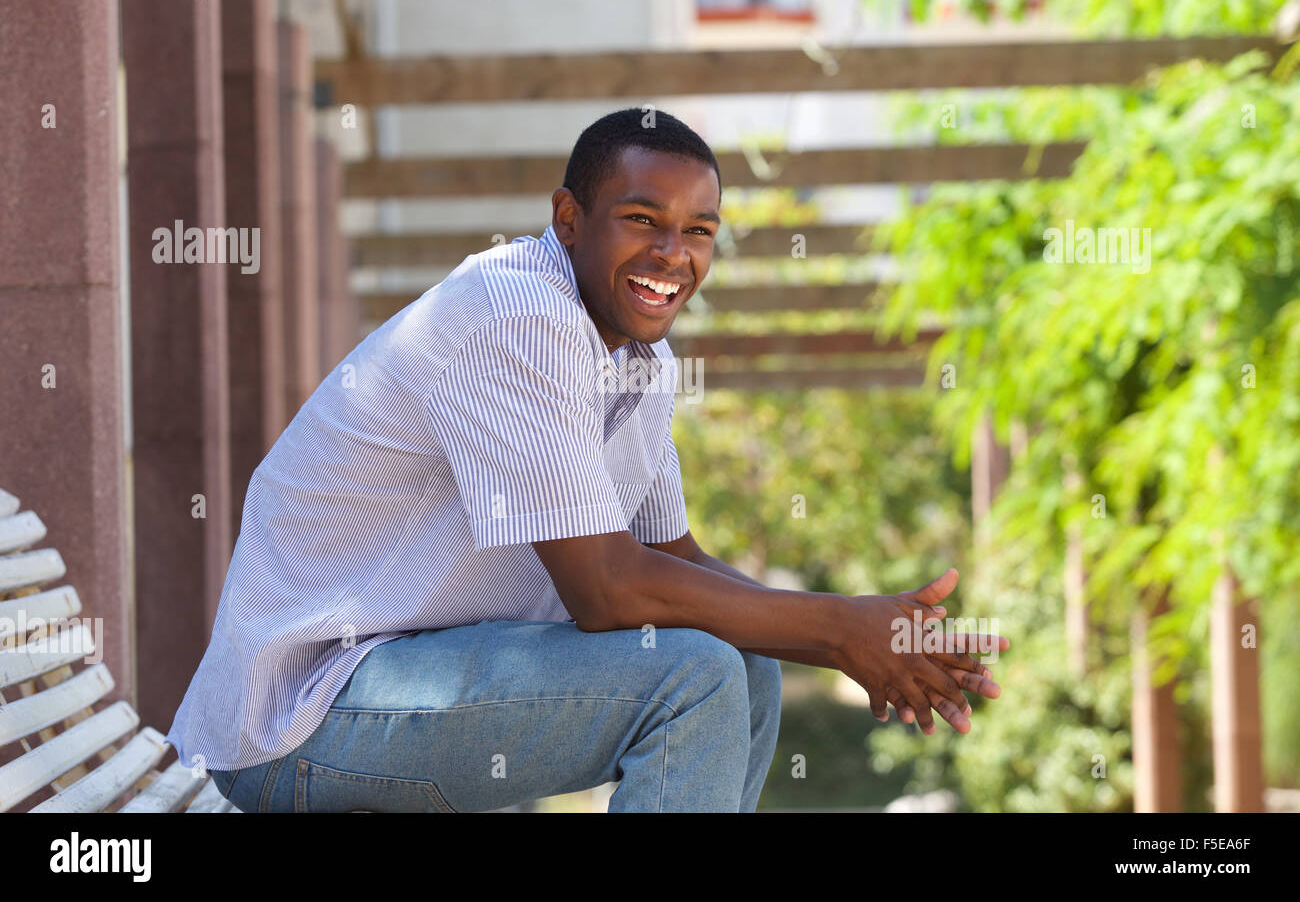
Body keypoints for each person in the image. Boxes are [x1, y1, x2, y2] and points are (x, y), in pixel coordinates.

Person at [165, 107, 1006, 813]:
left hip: (404, 686)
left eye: (698, 231)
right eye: (643, 220)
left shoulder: (637, 360)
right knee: (695, 679)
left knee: (744, 671)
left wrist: (867, 638)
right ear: (569, 219)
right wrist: (839, 627)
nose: (673, 254)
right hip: (296, 720)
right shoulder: (517, 318)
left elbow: (672, 560)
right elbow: (606, 590)